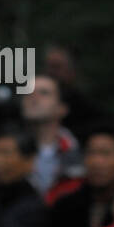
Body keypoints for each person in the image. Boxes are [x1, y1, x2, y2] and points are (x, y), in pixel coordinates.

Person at [21, 74, 81, 203]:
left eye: (44, 93)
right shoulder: (5, 147)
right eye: (28, 92)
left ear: (62, 109)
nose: (33, 97)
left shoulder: (79, 151)